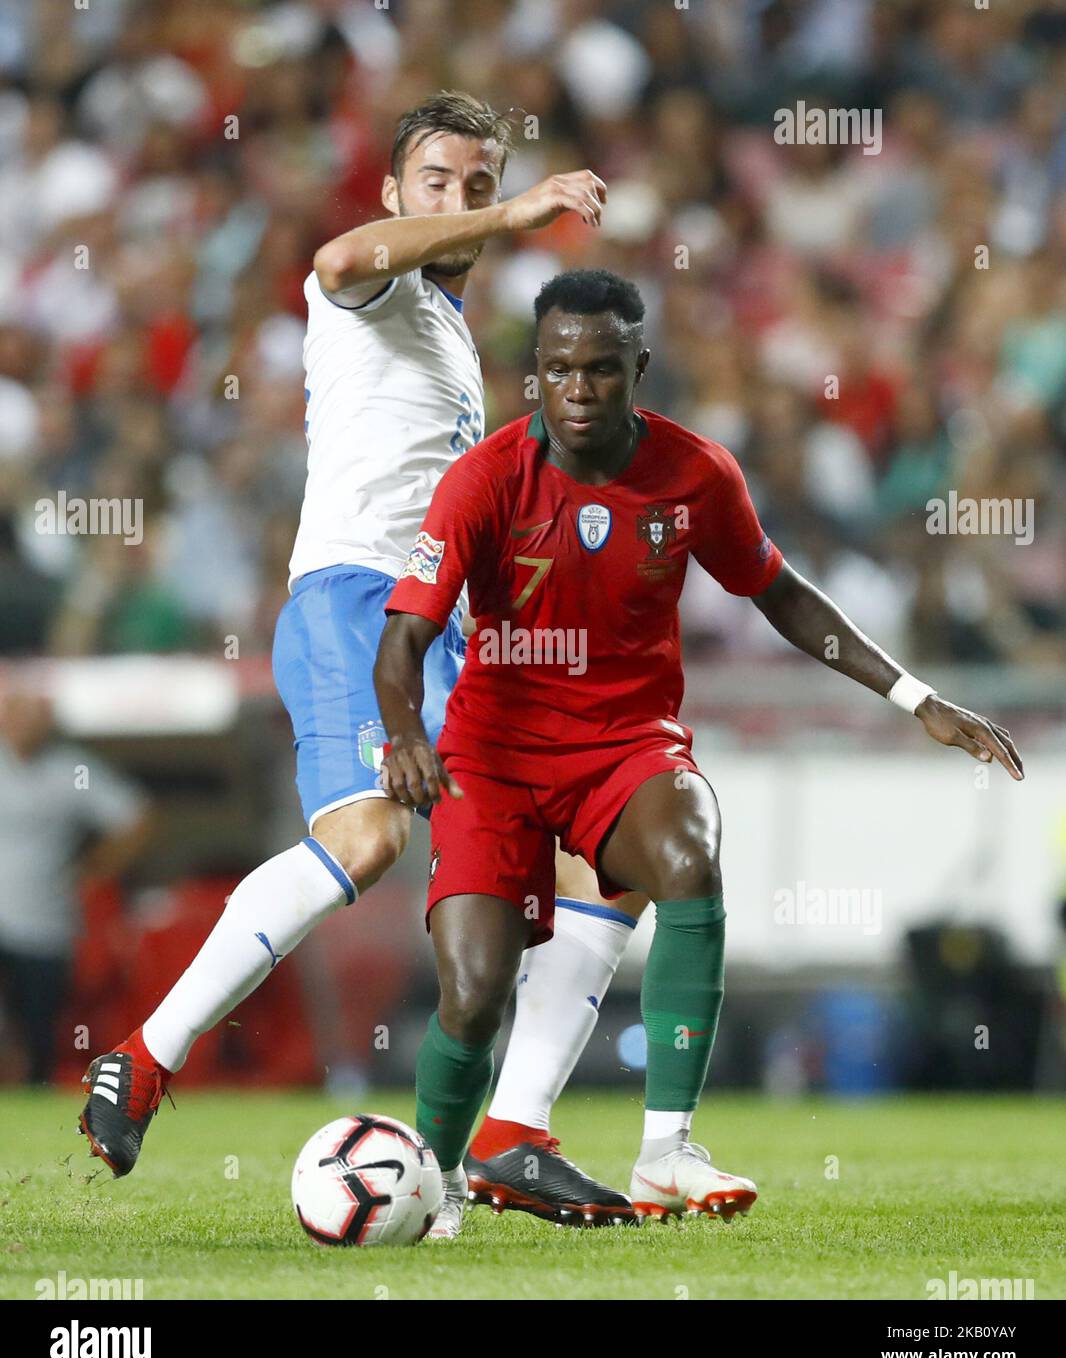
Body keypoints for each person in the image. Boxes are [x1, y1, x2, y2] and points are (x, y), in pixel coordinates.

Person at [79, 93, 645, 1229]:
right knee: (368, 835)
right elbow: (340, 252)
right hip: (351, 599)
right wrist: (527, 210)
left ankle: (509, 1137)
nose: (459, 201)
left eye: (478, 186)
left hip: (442, 629)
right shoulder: (367, 286)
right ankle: (145, 1054)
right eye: (436, 180)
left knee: (596, 865)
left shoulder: (444, 334)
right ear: (395, 193)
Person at [372, 268, 1024, 1236]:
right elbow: (402, 642)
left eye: (600, 369)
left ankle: (665, 1147)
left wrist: (912, 694)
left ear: (637, 367)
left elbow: (782, 593)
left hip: (625, 745)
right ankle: (438, 1181)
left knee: (690, 854)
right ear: (532, 379)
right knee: (469, 996)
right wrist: (403, 735)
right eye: (558, 370)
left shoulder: (693, 473)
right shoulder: (485, 481)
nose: (579, 389)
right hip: (494, 752)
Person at [0, 682, 153, 1083]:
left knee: (39, 1030)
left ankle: (32, 1108)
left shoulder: (71, 770)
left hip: (44, 925)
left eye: (29, 714)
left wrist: (97, 867)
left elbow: (136, 817)